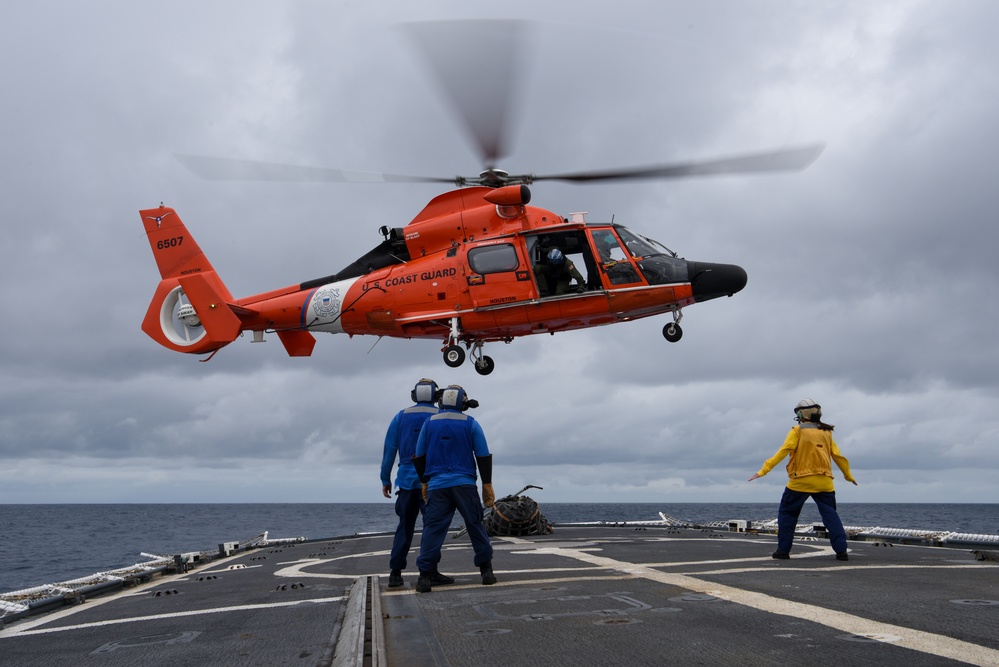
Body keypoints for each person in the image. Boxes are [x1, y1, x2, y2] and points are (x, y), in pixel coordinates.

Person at [748, 399, 858, 561]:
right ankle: (841, 552)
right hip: (825, 482)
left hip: (800, 481)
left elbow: (783, 451)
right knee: (830, 516)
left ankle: (783, 551)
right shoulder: (826, 432)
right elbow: (838, 456)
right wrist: (848, 476)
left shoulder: (797, 430)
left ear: (801, 414)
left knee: (787, 514)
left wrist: (763, 471)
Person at [412, 384, 496, 593]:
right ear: (462, 402)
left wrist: (424, 482)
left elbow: (419, 455)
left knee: (433, 529)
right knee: (475, 525)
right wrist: (487, 484)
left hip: (437, 486)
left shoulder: (428, 423)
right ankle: (486, 571)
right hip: (465, 485)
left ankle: (424, 577)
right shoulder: (471, 423)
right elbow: (483, 454)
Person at [379, 378, 452, 589]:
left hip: (405, 482)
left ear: (414, 395)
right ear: (436, 396)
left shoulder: (400, 417)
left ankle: (395, 573)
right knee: (432, 528)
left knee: (404, 527)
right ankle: (429, 571)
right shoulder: (440, 416)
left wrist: (385, 479)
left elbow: (389, 450)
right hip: (432, 483)